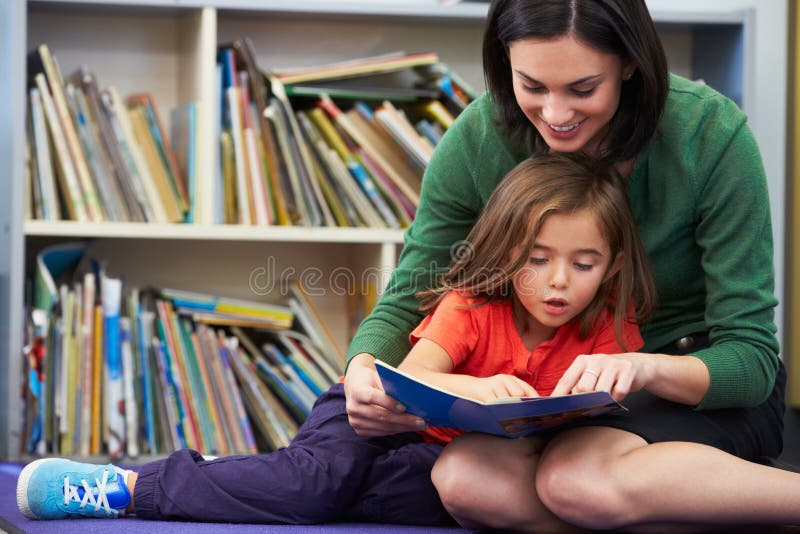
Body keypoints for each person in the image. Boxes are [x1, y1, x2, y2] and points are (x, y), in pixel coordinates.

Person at [344, 0, 797, 531]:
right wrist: (364, 369)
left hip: (688, 383)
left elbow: (752, 360)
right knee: (466, 482)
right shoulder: (478, 137)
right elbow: (411, 295)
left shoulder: (710, 134)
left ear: (630, 63)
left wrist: (644, 367)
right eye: (532, 86)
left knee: (574, 481)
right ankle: (695, 504)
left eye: (582, 89)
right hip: (556, 401)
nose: (555, 115)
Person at [15, 153, 653, 523]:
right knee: (315, 485)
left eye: (583, 264)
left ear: (614, 267)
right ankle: (127, 490)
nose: (558, 282)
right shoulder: (471, 305)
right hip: (372, 415)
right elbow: (414, 377)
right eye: (537, 258)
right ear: (507, 249)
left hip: (439, 459)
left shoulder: (611, 333)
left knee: (391, 503)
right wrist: (481, 389)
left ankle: (240, 476)